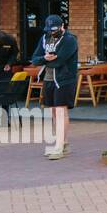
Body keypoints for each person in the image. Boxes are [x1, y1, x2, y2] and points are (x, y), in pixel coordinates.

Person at [30, 14, 77, 160]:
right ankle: (64, 142)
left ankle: (59, 145)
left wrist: (45, 60)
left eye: (55, 30)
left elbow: (60, 60)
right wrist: (45, 58)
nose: (52, 33)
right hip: (48, 78)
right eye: (50, 30)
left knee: (61, 110)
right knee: (54, 112)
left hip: (64, 79)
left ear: (62, 26)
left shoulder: (70, 40)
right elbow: (35, 59)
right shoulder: (44, 38)